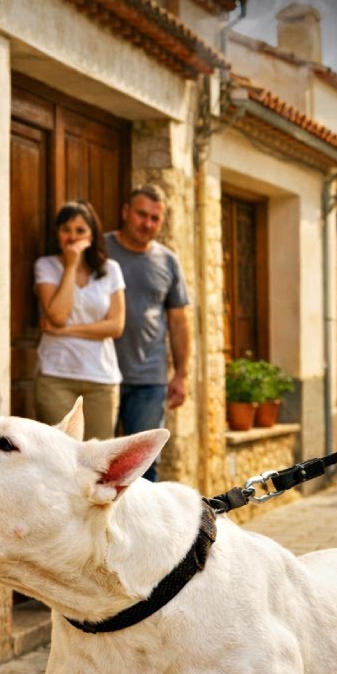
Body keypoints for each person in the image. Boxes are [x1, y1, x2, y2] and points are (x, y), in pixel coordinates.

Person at [105, 184, 189, 482]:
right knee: (91, 462)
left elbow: (178, 321)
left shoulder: (167, 261)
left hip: (149, 380)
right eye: (142, 214)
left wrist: (180, 374)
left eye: (155, 218)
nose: (147, 223)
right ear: (126, 212)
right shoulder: (101, 251)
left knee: (144, 466)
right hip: (100, 374)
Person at [33, 200, 125, 441]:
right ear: (57, 233)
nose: (73, 237)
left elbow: (115, 326)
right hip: (56, 378)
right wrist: (72, 264)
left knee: (99, 463)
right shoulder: (46, 266)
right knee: (58, 456)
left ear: (92, 235)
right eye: (66, 230)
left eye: (80, 230)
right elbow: (58, 315)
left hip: (101, 380)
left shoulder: (111, 270)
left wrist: (63, 332)